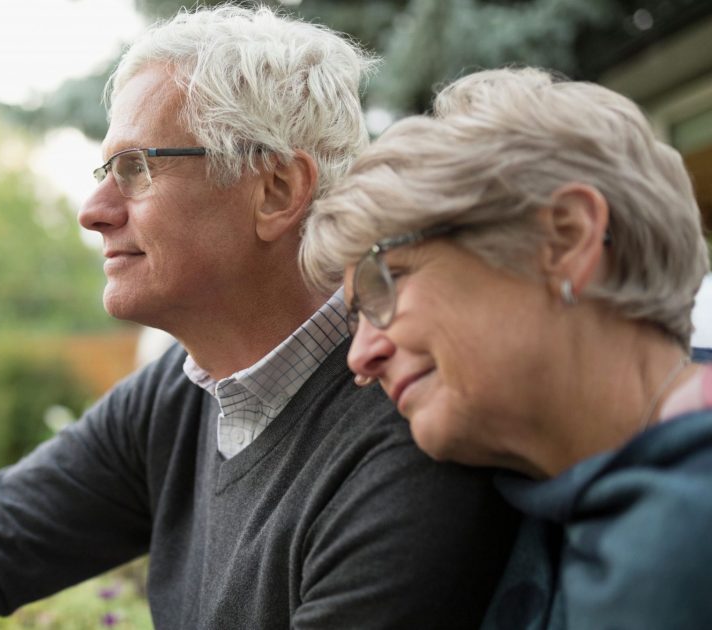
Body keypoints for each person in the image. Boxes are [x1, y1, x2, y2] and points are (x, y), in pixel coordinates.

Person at [0, 8, 516, 629]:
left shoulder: (405, 448)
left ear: (275, 189)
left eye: (137, 168)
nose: (94, 211)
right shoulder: (182, 391)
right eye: (103, 172)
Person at [301, 67, 712, 629]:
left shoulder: (686, 535)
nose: (359, 357)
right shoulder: (539, 513)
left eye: (383, 284)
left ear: (563, 239)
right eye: (353, 321)